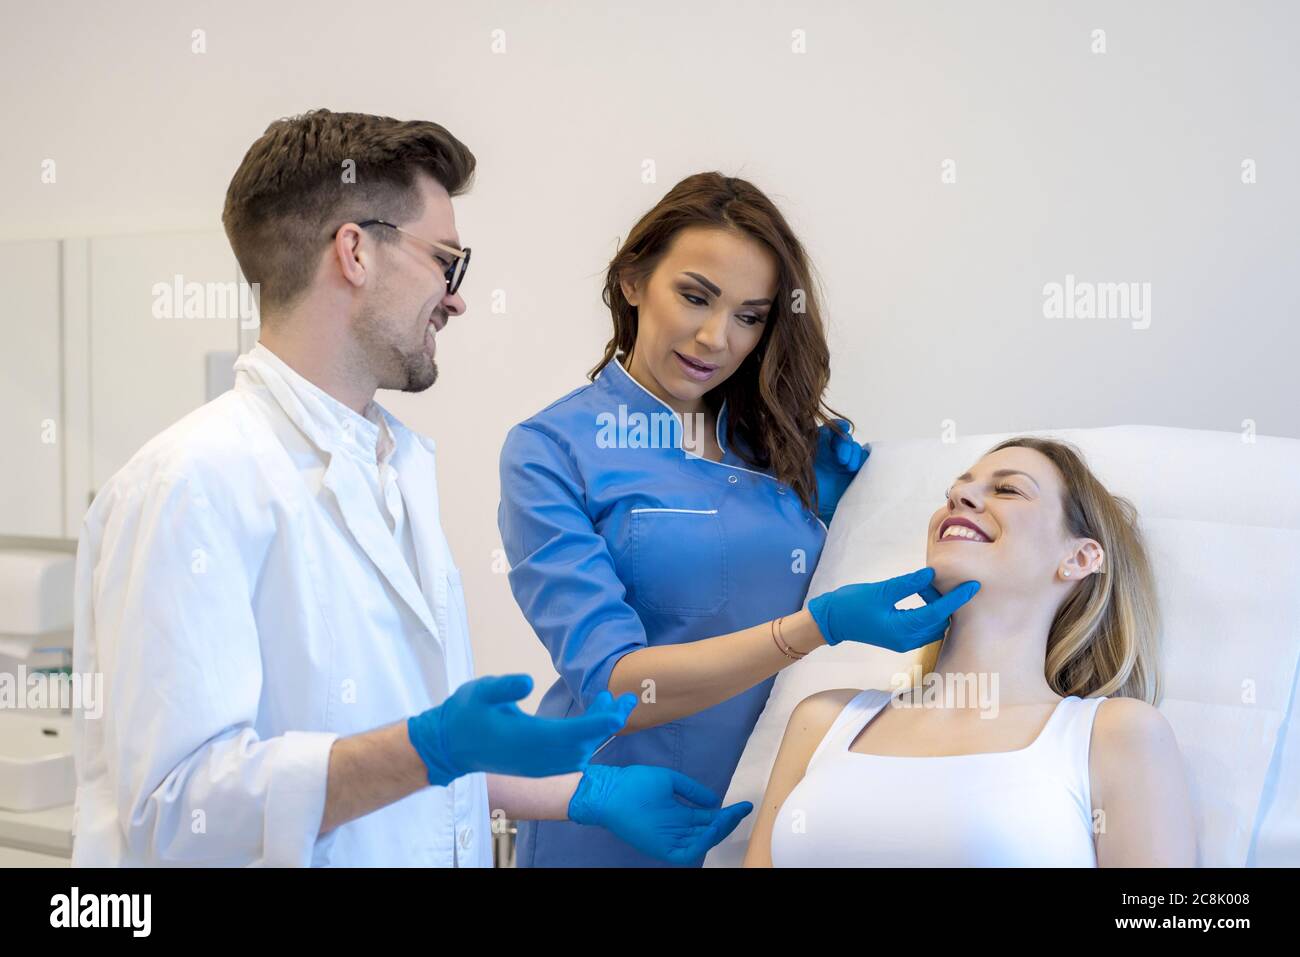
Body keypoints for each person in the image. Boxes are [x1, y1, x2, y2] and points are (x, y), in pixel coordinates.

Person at [71, 109, 749, 867]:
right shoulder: (191, 483)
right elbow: (176, 811)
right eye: (446, 262)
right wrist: (427, 746)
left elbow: (389, 756)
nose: (457, 298)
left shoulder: (392, 467)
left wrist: (575, 793)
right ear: (355, 251)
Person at [498, 172, 980, 866]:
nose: (715, 337)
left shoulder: (789, 451)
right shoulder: (552, 450)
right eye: (694, 296)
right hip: (618, 813)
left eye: (750, 315)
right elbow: (613, 687)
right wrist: (815, 629)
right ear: (633, 280)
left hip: (778, 809)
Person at [743, 437, 1198, 867]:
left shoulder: (1113, 734)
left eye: (1008, 490)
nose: (960, 499)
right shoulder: (823, 719)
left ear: (1079, 558)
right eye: (954, 492)